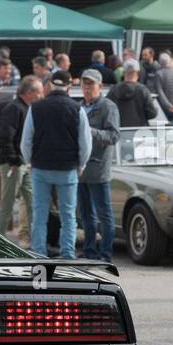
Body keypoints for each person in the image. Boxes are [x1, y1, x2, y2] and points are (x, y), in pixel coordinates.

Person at [20, 69, 92, 258]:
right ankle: (68, 253)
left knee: (39, 215)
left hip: (40, 168)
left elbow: (26, 141)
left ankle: (38, 252)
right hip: (67, 169)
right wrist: (81, 164)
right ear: (69, 86)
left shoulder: (35, 108)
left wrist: (30, 162)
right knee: (68, 216)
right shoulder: (77, 109)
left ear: (50, 84)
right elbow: (85, 143)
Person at [77, 69, 120, 262]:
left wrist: (91, 132)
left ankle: (105, 253)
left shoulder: (108, 107)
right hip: (80, 168)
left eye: (91, 85)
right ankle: (88, 250)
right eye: (84, 84)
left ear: (100, 86)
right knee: (85, 214)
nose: (87, 88)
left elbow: (114, 136)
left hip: (98, 168)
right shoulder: (78, 106)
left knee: (104, 214)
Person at [0, 76, 42, 245]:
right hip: (13, 164)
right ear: (29, 93)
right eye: (39, 92)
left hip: (24, 163)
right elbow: (5, 136)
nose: (41, 96)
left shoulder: (26, 108)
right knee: (7, 204)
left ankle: (36, 240)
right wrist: (13, 160)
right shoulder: (14, 108)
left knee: (32, 202)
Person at [109, 59, 159, 128]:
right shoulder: (143, 90)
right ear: (138, 73)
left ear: (123, 73)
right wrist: (156, 109)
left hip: (119, 131)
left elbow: (106, 111)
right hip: (139, 133)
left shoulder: (114, 89)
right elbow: (152, 113)